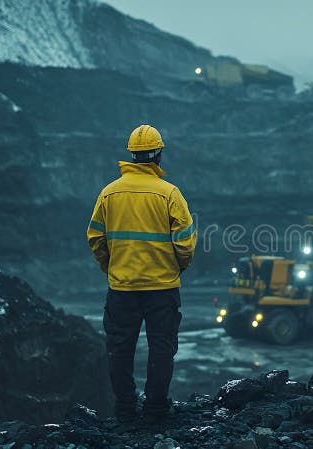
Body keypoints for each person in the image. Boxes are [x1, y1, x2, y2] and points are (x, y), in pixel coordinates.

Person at [87, 124, 197, 425]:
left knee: (119, 349)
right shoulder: (169, 194)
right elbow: (185, 242)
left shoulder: (109, 194)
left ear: (132, 155)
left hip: (122, 288)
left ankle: (125, 410)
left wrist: (112, 268)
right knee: (161, 347)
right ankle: (156, 409)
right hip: (162, 287)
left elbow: (96, 238)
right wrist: (178, 267)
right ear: (159, 156)